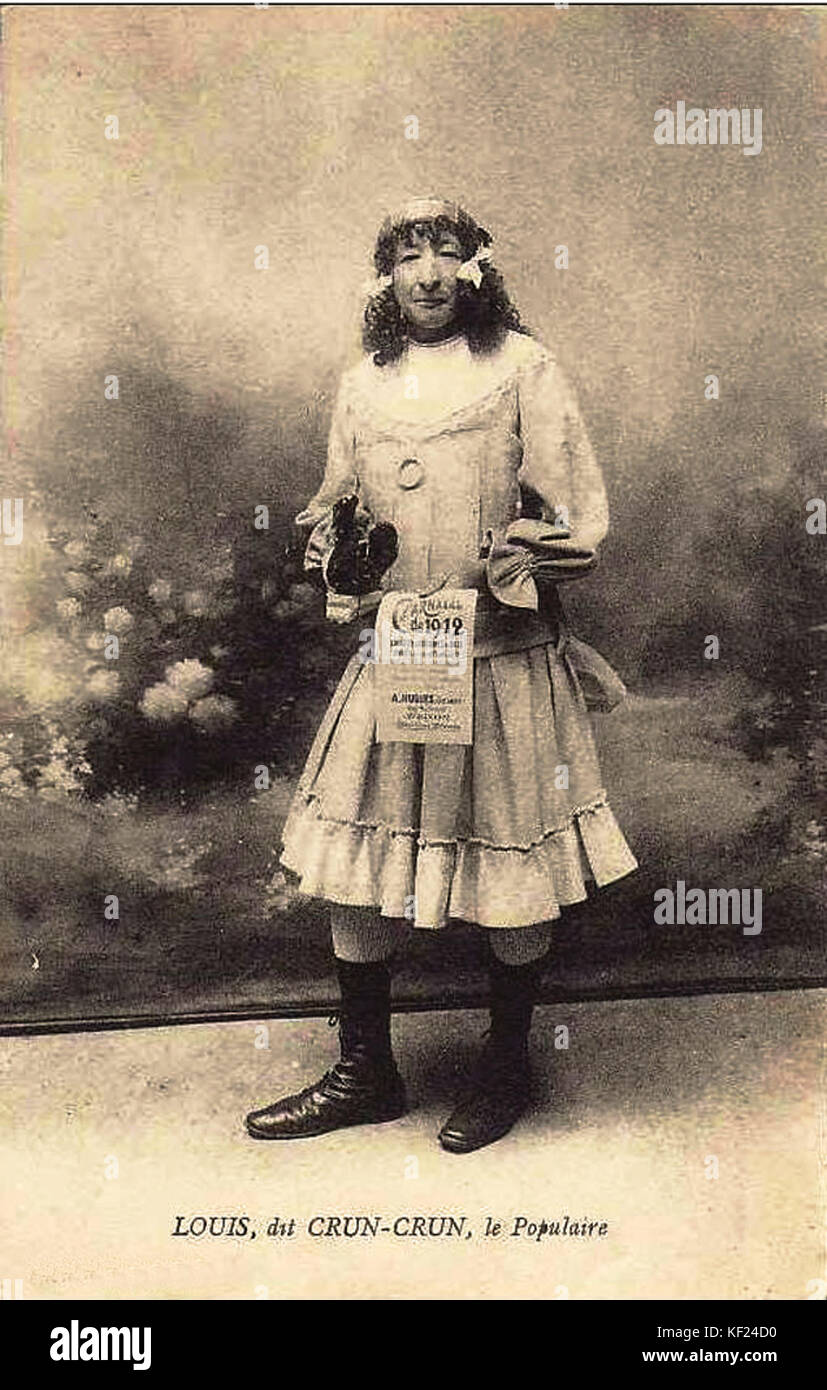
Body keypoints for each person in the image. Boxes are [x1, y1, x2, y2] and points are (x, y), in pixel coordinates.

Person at [246, 196, 637, 1153]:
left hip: (499, 663)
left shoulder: (519, 367)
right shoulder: (361, 383)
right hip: (403, 655)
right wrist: (346, 558)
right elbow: (338, 508)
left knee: (508, 866)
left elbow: (574, 511)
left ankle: (503, 1071)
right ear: (385, 275)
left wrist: (509, 563)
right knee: (355, 870)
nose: (428, 272)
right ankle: (365, 1071)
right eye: (408, 255)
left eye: (446, 252)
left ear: (474, 266)